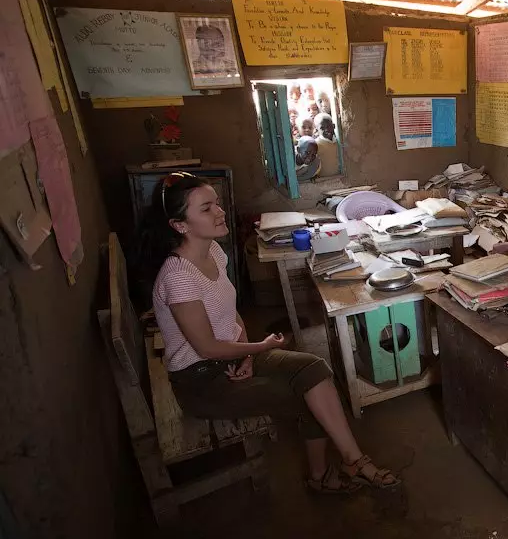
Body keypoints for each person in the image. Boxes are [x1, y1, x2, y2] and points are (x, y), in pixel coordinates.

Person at [136, 172, 399, 494]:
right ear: (180, 225)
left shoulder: (214, 253)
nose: (219, 212)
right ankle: (323, 479)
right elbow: (206, 347)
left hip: (231, 358)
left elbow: (229, 313)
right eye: (206, 209)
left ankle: (352, 460)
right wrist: (259, 348)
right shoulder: (178, 276)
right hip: (202, 381)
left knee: (314, 369)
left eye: (216, 204)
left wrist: (248, 352)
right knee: (305, 399)